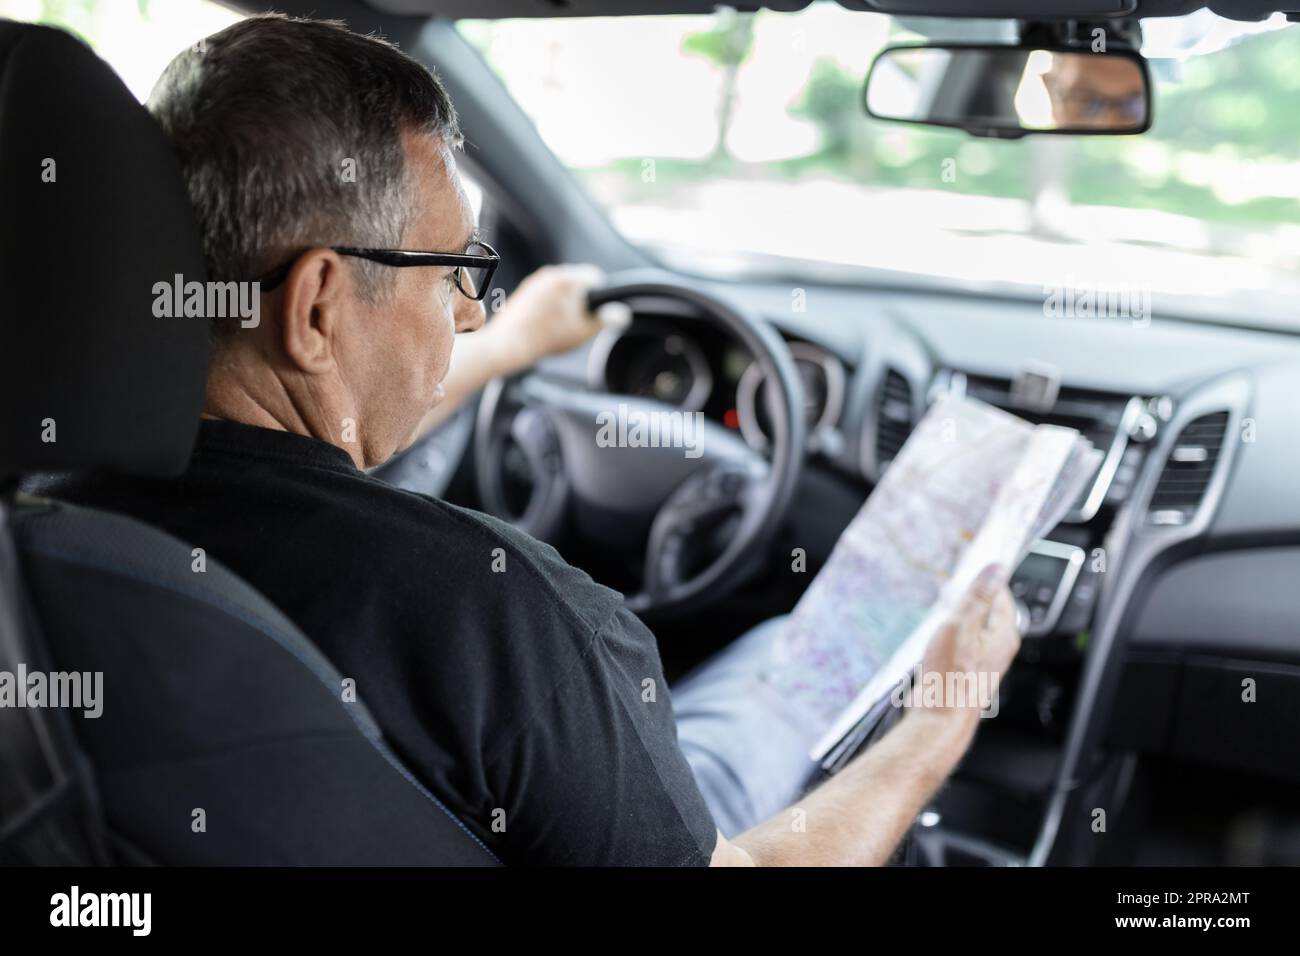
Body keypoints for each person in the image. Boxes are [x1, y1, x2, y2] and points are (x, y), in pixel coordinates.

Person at [41, 14, 1019, 866]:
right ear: (317, 304)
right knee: (792, 662)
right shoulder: (492, 609)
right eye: (451, 272)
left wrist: (515, 346)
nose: (470, 315)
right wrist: (943, 714)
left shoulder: (41, 517)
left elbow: (311, 414)